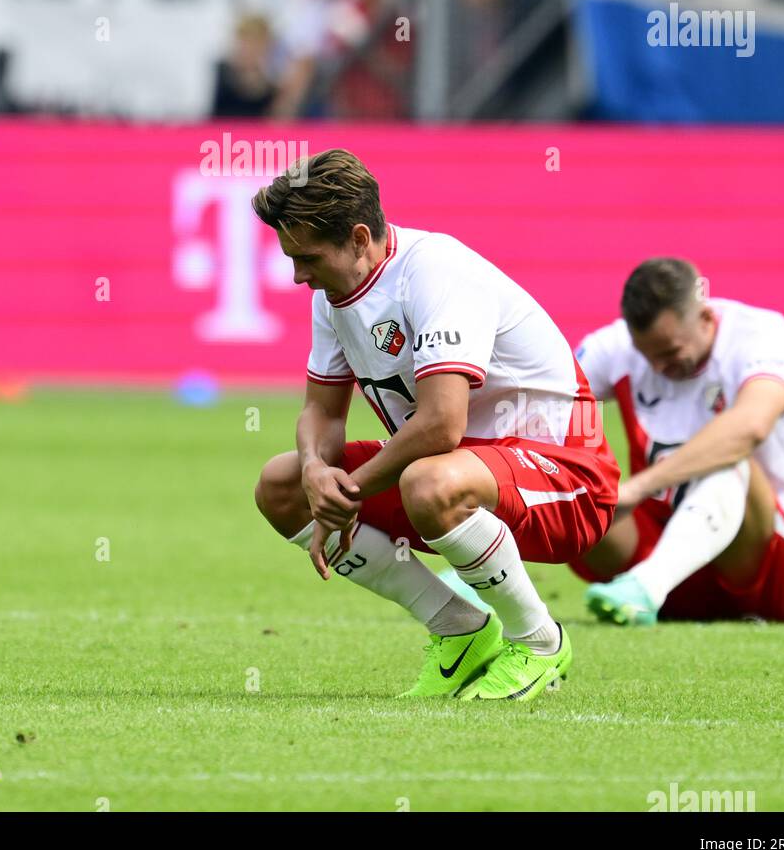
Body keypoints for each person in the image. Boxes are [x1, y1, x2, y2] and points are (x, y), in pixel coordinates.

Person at [252, 149, 620, 702]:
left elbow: (441, 426)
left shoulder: (436, 272)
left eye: (307, 258)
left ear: (358, 238)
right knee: (280, 487)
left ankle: (541, 642)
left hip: (567, 477)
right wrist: (314, 472)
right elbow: (322, 412)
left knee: (429, 480)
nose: (297, 275)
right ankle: (460, 630)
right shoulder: (334, 293)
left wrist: (348, 490)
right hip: (458, 475)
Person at [572, 258, 784, 624]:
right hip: (660, 548)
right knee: (569, 482)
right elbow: (548, 403)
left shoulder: (761, 334)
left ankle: (645, 588)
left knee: (731, 455)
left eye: (671, 353)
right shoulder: (613, 345)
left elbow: (751, 427)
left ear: (706, 320)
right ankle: (489, 579)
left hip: (769, 564)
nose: (658, 368)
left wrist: (637, 488)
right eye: (648, 357)